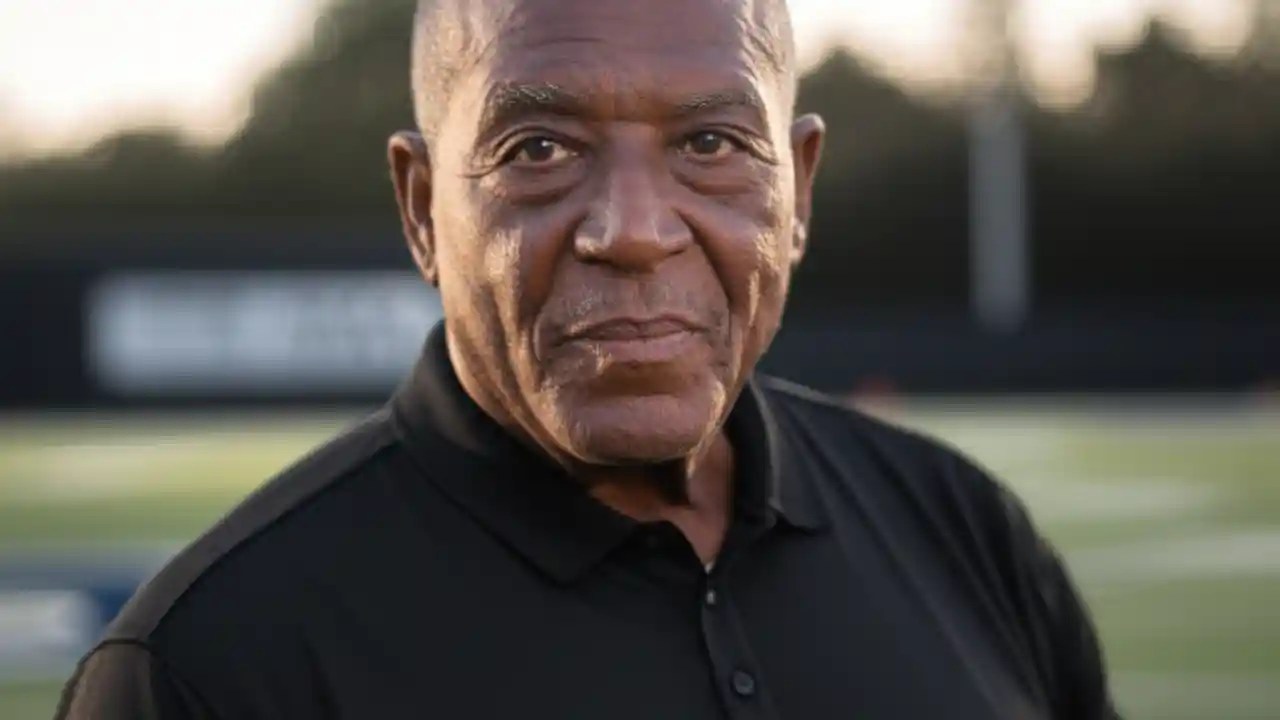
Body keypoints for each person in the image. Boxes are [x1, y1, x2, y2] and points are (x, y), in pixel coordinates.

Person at [57, 0, 1119, 717]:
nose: (634, 230)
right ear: (422, 210)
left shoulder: (966, 534)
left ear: (797, 190)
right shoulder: (212, 668)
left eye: (709, 144)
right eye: (539, 150)